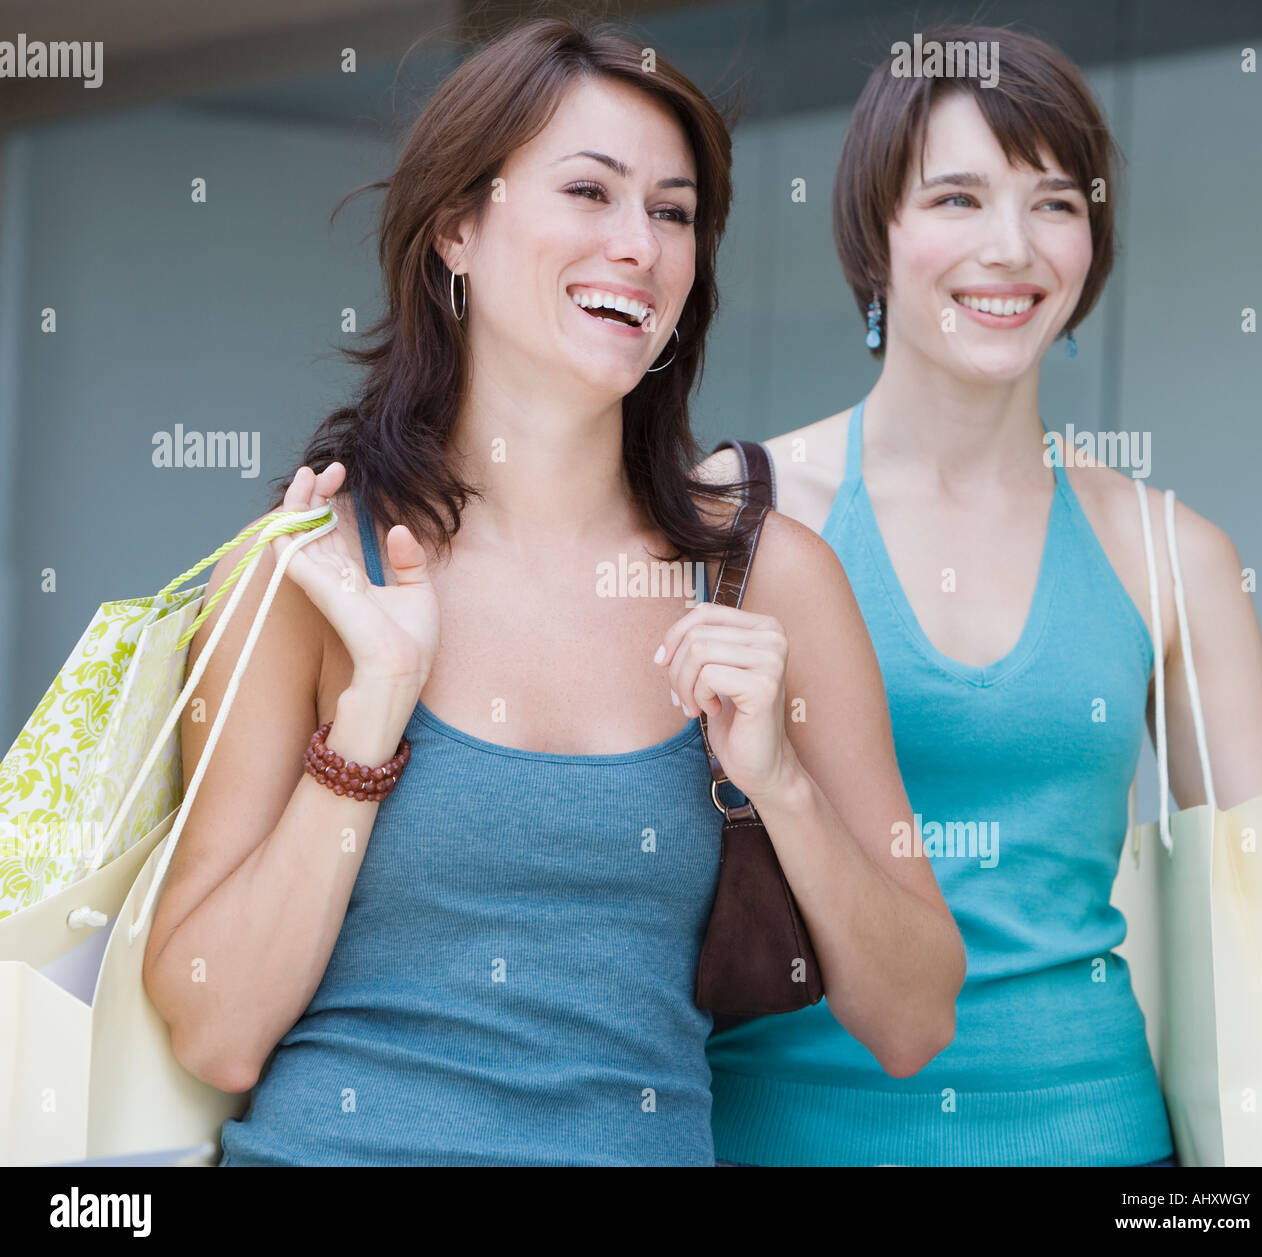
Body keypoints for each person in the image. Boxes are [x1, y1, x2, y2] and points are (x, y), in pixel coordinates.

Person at [139, 17, 964, 1167]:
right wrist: (372, 716)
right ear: (457, 231)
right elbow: (215, 1031)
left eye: (673, 212)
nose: (640, 244)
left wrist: (778, 781)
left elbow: (915, 1018)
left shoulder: (770, 579)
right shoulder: (309, 570)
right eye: (590, 191)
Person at [699, 22, 1262, 1167]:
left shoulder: (1172, 553)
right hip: (780, 1139)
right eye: (958, 199)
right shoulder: (735, 510)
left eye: (1056, 203)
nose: (1012, 248)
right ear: (873, 233)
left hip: (1099, 1144)